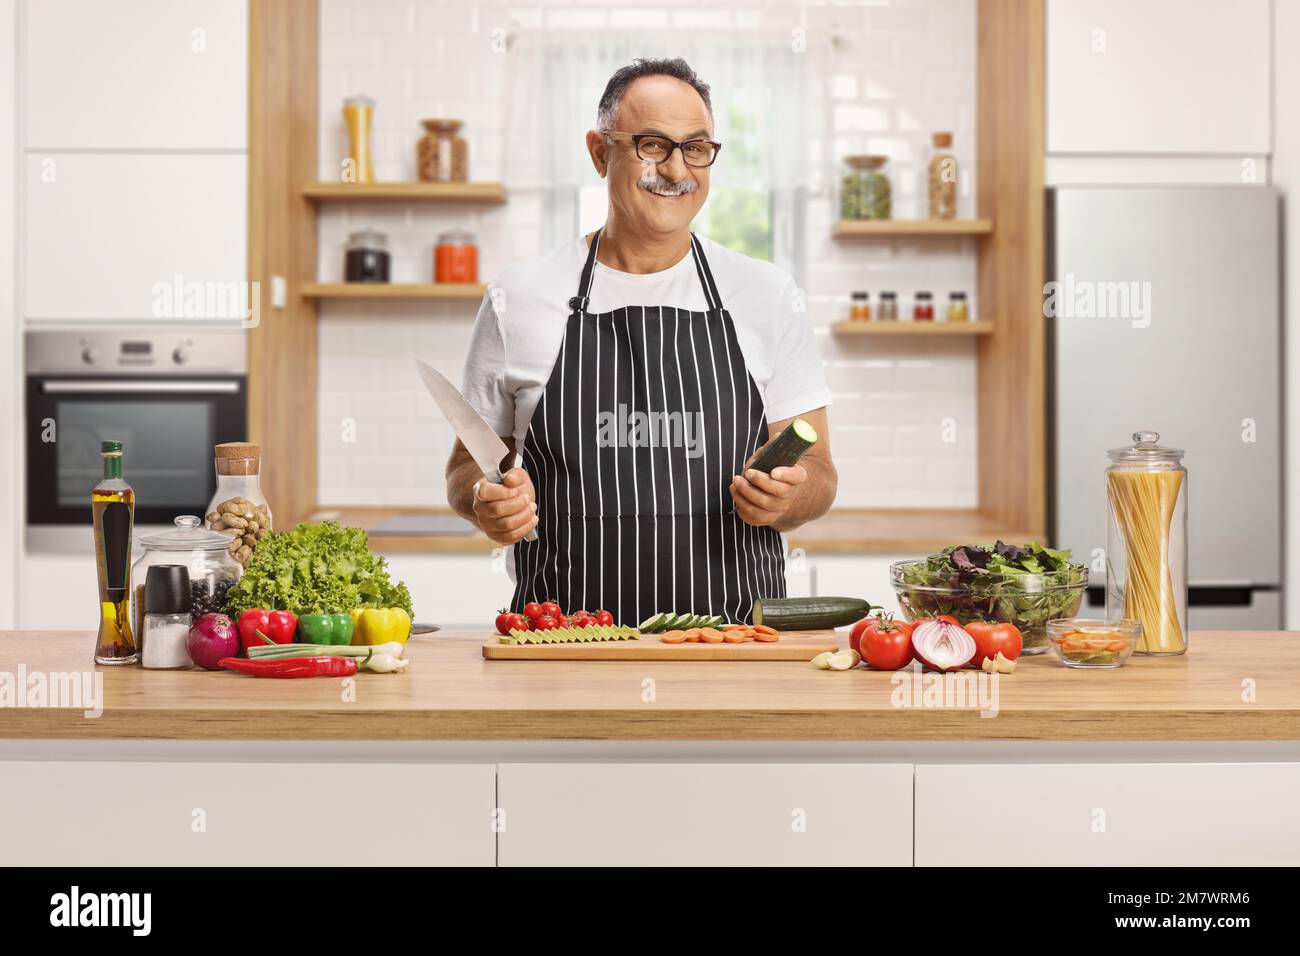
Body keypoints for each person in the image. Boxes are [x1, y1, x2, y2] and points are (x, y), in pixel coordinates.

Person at [448, 57, 836, 625]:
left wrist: (789, 500)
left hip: (735, 645)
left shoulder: (767, 294)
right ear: (600, 152)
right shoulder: (520, 296)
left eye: (696, 147)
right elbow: (466, 467)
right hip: (563, 645)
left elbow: (820, 472)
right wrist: (486, 503)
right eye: (652, 144)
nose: (676, 169)